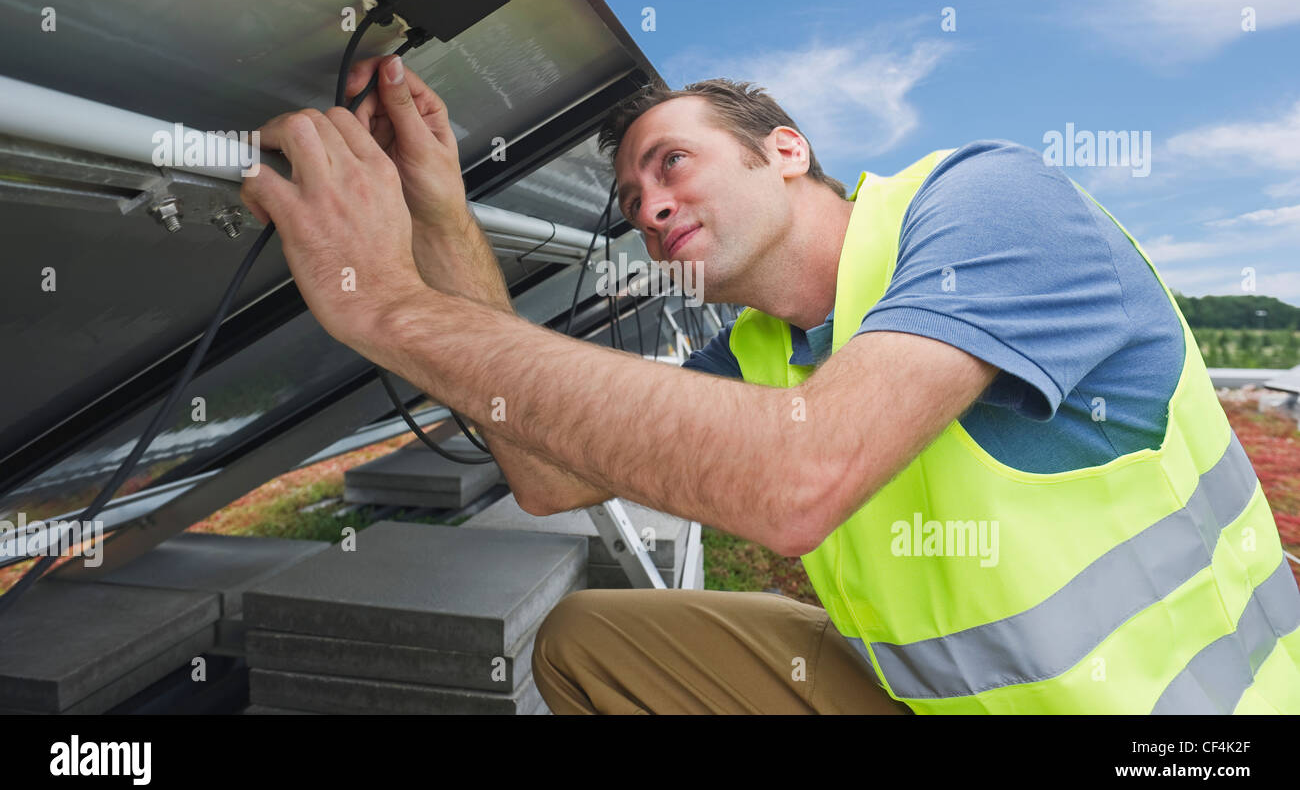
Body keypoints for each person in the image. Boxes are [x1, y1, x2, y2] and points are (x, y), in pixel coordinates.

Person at [241, 55, 1300, 715]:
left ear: (784, 150)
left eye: (670, 162)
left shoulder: (988, 205)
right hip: (934, 705)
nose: (647, 205)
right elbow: (544, 470)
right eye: (629, 196)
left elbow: (799, 475)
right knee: (589, 645)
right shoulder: (759, 345)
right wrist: (440, 216)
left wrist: (386, 305)